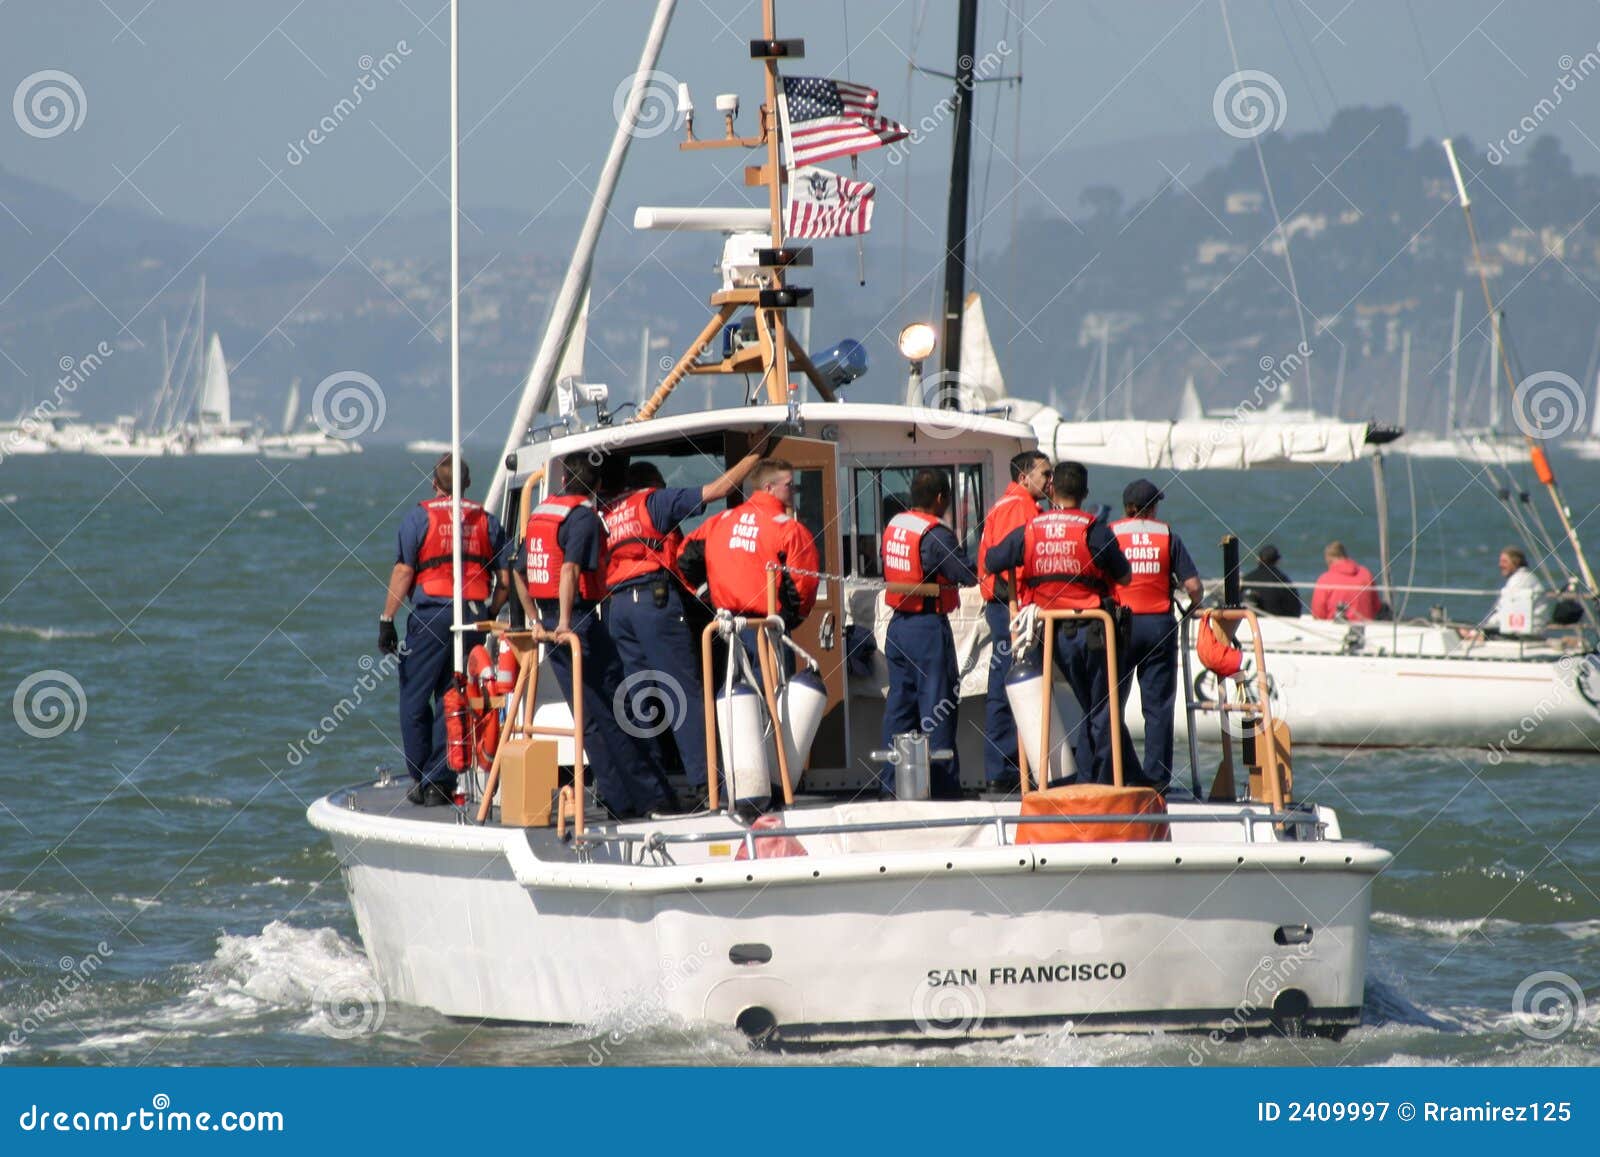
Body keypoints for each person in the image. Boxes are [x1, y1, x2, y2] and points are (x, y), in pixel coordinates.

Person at [600, 443, 770, 805]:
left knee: (641, 696)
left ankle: (653, 790)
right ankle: (706, 784)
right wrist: (756, 452)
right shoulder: (656, 502)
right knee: (685, 693)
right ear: (653, 484)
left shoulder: (610, 512)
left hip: (618, 611)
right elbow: (720, 490)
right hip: (653, 603)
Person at [514, 454, 671, 820]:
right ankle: (653, 798)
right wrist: (566, 621)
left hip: (551, 628)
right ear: (598, 485)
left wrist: (537, 621)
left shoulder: (541, 514)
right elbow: (569, 569)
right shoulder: (582, 517)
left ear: (565, 478)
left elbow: (518, 572)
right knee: (618, 710)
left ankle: (620, 800)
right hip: (577, 624)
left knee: (588, 718)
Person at [984, 461, 1132, 785]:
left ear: (1051, 491)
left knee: (1070, 705)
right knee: (1101, 709)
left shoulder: (1032, 529)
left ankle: (1063, 780)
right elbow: (1124, 575)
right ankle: (1103, 783)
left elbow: (993, 560)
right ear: (1085, 493)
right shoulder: (1094, 530)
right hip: (1092, 632)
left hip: (1048, 634)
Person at [380, 455, 511, 806]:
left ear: (434, 484)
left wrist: (386, 619)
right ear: (468, 484)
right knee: (453, 695)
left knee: (413, 695)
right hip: (471, 617)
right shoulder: (486, 521)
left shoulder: (419, 517)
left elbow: (404, 572)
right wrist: (492, 611)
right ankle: (440, 779)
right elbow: (507, 579)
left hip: (430, 617)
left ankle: (421, 775)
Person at [877, 469, 979, 799]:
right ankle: (944, 790)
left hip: (898, 629)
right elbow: (964, 574)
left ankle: (891, 787)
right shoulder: (936, 535)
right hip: (927, 631)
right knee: (938, 708)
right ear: (940, 498)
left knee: (900, 709)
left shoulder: (895, 526)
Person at [1110, 479, 1204, 793]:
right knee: (1157, 708)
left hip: (1119, 626)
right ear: (1150, 508)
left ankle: (1118, 773)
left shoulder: (1111, 533)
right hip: (1159, 626)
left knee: (1110, 705)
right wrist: (1193, 608)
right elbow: (1193, 587)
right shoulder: (1167, 535)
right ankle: (1155, 781)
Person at [975, 450, 1051, 792]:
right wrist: (1020, 607)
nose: (1050, 480)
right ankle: (1004, 770)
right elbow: (1006, 563)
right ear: (1024, 477)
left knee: (1011, 683)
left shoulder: (1010, 505)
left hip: (1010, 607)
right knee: (1009, 686)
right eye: (1044, 474)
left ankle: (1012, 767)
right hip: (1011, 609)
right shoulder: (1018, 508)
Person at [701, 458, 821, 630]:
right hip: (768, 627)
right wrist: (788, 620)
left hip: (727, 628)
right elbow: (804, 583)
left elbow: (685, 557)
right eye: (789, 485)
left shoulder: (719, 521)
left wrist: (706, 594)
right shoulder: (789, 529)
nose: (794, 490)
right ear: (768, 488)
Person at [1465, 546, 1553, 638]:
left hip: (1525, 633)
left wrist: (1479, 630)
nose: (1500, 565)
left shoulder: (1520, 581)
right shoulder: (1524, 578)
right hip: (1524, 629)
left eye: (1504, 561)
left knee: (1463, 632)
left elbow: (1506, 612)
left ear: (1516, 562)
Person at [1310, 541, 1381, 622]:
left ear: (1329, 559)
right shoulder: (1366, 574)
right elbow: (1376, 607)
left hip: (1334, 629)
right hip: (1365, 628)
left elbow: (1318, 614)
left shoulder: (1324, 579)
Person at [1242, 543, 1303, 617]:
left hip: (1249, 622)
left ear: (1258, 559)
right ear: (1278, 560)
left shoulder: (1247, 579)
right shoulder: (1283, 580)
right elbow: (1296, 610)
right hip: (1279, 623)